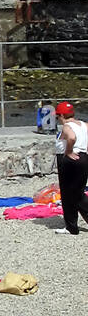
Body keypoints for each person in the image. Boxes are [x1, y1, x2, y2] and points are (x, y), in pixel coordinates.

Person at [53, 100, 88, 235]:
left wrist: (68, 151)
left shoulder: (67, 126)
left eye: (58, 117)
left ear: (61, 115)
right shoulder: (84, 125)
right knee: (78, 192)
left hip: (69, 160)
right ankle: (74, 224)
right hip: (84, 158)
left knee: (68, 193)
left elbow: (71, 137)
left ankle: (71, 227)